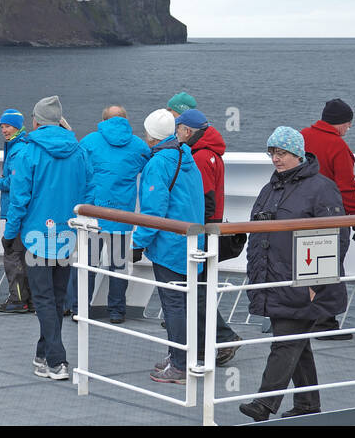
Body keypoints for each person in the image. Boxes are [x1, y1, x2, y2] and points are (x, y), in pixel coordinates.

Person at [238, 127, 349, 421]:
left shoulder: (321, 188)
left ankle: (264, 404)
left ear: (298, 154)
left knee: (286, 341)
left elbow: (337, 236)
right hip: (275, 280)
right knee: (296, 344)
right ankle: (308, 405)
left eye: (282, 153)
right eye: (272, 152)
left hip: (303, 282)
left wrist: (315, 284)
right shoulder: (270, 188)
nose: (276, 158)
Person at [3, 95, 91, 382]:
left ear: (36, 120)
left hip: (37, 235)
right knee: (55, 298)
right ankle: (43, 355)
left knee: (43, 298)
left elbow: (19, 198)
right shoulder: (78, 151)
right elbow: (88, 191)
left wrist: (9, 233)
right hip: (67, 232)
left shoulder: (28, 151)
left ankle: (57, 360)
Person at [134, 109, 205, 384]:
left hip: (170, 247)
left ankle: (179, 365)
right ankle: (184, 355)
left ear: (150, 136)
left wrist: (138, 243)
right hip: (192, 241)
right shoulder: (186, 157)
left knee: (173, 305)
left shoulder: (158, 164)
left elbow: (153, 211)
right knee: (187, 303)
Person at [173, 109, 242, 364]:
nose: (176, 133)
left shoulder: (200, 157)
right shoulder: (212, 153)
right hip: (211, 230)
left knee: (197, 290)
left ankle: (223, 337)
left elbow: (204, 199)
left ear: (188, 131)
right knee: (199, 288)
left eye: (178, 128)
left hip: (201, 233)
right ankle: (206, 342)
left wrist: (198, 231)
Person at [72, 105, 150, 324]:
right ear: (125, 120)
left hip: (93, 213)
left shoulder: (89, 142)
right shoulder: (138, 145)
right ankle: (117, 311)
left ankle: (80, 309)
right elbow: (150, 169)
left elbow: (78, 171)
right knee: (118, 265)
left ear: (103, 120)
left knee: (88, 264)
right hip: (122, 214)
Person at [301, 98, 355, 339]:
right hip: (329, 215)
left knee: (306, 265)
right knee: (330, 265)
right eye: (348, 124)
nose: (348, 129)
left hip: (300, 213)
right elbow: (346, 186)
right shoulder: (338, 146)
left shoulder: (302, 135)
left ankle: (306, 318)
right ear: (339, 124)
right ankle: (325, 323)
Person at [0, 109, 33, 314]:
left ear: (17, 126)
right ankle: (30, 299)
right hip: (25, 212)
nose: (4, 130)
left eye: (7, 126)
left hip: (15, 212)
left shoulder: (17, 150)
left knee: (13, 255)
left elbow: (17, 183)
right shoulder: (20, 145)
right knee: (25, 256)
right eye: (2, 127)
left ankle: (18, 300)